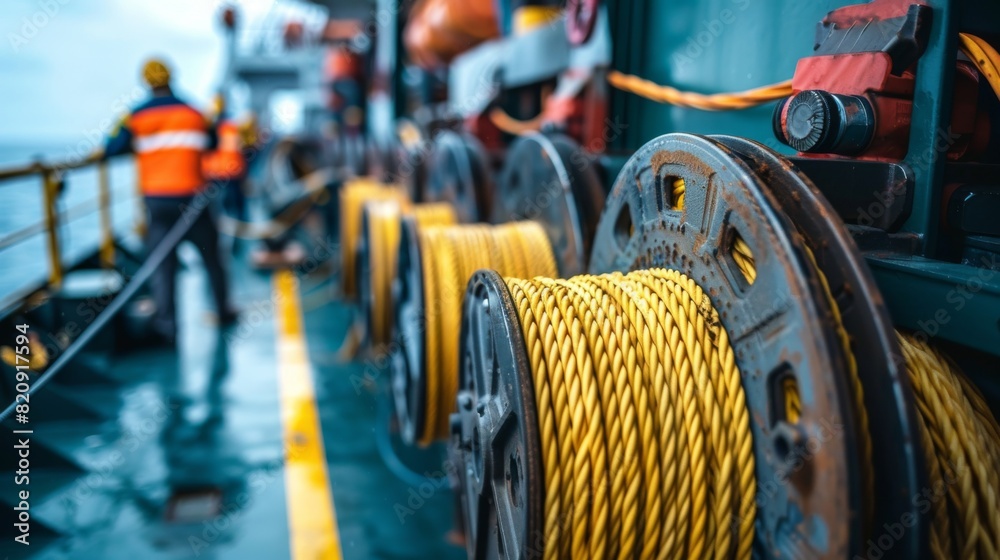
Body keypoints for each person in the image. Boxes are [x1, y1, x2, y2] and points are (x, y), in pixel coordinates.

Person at [103, 58, 237, 345]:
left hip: (158, 202)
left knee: (163, 266)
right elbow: (213, 143)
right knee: (212, 257)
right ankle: (223, 310)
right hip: (194, 201)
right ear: (171, 77)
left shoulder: (135, 117)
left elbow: (111, 149)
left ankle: (168, 327)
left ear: (146, 82)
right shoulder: (194, 112)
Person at [202, 93, 247, 223]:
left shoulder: (208, 127)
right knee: (235, 215)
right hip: (231, 176)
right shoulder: (232, 127)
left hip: (214, 177)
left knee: (215, 216)